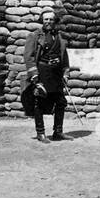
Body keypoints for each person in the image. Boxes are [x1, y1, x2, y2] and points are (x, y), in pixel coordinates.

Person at [22, 8, 69, 142]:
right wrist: (34, 74)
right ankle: (40, 133)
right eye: (46, 19)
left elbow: (64, 56)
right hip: (42, 72)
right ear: (42, 21)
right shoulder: (35, 36)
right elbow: (29, 56)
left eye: (51, 19)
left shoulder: (59, 37)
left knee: (61, 102)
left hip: (56, 73)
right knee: (40, 102)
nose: (48, 21)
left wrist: (65, 73)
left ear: (55, 21)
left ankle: (58, 132)